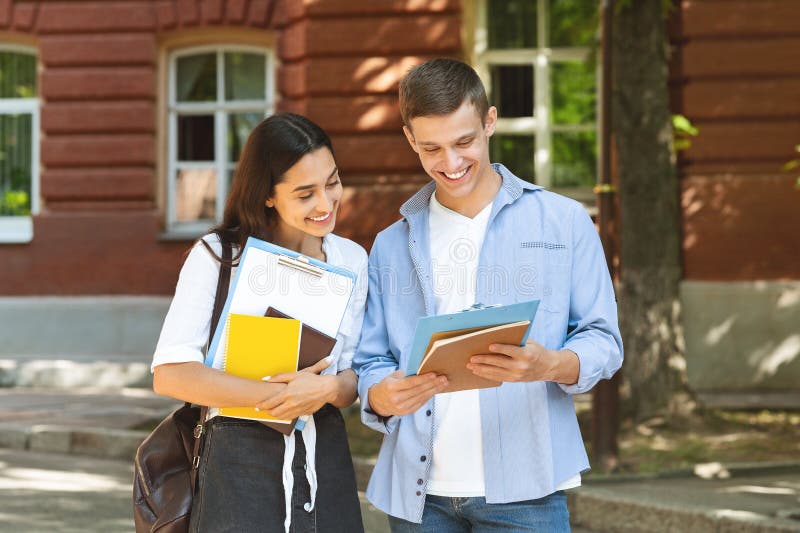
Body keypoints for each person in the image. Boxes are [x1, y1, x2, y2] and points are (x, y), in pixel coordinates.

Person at [352, 58, 623, 532]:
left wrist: (550, 364)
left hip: (526, 493)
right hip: (418, 500)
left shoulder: (564, 222)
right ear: (410, 139)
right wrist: (379, 395)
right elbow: (370, 359)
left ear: (490, 121)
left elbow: (604, 340)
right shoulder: (390, 244)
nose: (451, 164)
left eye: (464, 142)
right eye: (431, 148)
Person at [151, 113, 367, 533]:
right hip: (237, 459)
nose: (325, 204)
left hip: (324, 458)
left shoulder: (352, 259)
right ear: (268, 195)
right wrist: (281, 397)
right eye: (305, 194)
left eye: (333, 182)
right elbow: (171, 374)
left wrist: (330, 388)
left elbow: (356, 374)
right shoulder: (218, 256)